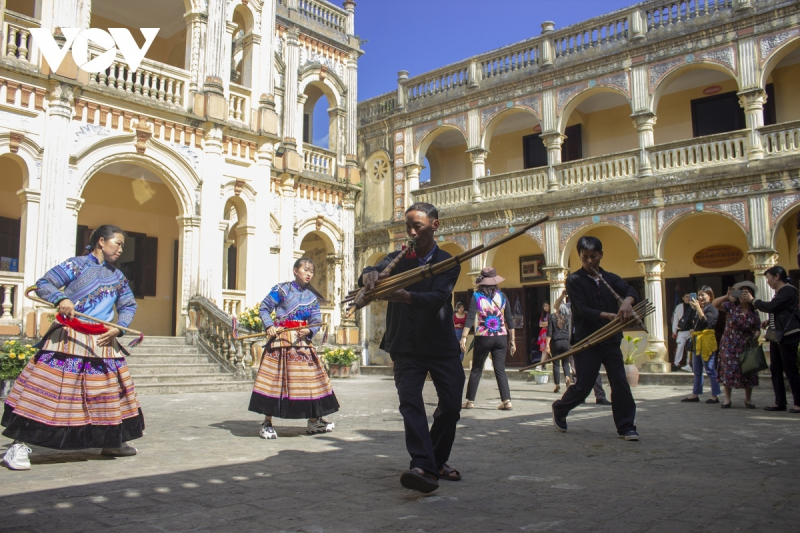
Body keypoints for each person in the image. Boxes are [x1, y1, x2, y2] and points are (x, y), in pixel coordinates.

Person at [2, 225, 142, 471]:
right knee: (48, 391)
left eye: (122, 245)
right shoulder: (75, 265)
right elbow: (44, 284)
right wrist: (62, 298)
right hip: (68, 338)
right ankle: (19, 446)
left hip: (102, 341)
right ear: (101, 241)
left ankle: (112, 442)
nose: (121, 249)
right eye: (118, 243)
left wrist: (119, 328)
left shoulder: (118, 277)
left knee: (107, 395)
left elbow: (128, 305)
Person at [359, 202, 463, 494]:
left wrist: (404, 296)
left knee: (451, 405)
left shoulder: (448, 262)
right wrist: (368, 274)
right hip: (405, 344)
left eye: (417, 226)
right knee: (410, 402)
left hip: (441, 344)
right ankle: (422, 465)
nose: (412, 232)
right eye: (408, 227)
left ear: (434, 225)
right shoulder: (399, 257)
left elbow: (437, 298)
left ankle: (436, 461)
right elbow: (373, 269)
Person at [552, 236, 639, 440]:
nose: (589, 261)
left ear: (601, 255)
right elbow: (582, 309)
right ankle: (560, 408)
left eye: (593, 256)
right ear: (580, 257)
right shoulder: (574, 280)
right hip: (586, 341)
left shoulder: (610, 278)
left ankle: (626, 426)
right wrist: (608, 315)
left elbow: (630, 290)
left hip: (610, 340)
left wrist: (627, 302)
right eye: (585, 257)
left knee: (619, 381)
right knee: (584, 386)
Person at [248, 258, 339, 439]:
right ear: (295, 271)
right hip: (281, 342)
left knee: (310, 381)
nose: (309, 274)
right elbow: (264, 308)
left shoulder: (312, 297)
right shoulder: (281, 290)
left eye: (311, 271)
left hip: (301, 343)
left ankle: (314, 421)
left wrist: (309, 330)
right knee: (275, 382)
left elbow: (316, 320)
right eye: (305, 270)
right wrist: (269, 325)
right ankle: (267, 423)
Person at [742, 266, 800, 413]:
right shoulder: (780, 292)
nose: (767, 281)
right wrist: (770, 321)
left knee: (790, 369)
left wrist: (753, 301)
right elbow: (781, 310)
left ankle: (798, 403)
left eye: (768, 278)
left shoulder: (788, 290)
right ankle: (780, 402)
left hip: (788, 335)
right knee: (775, 369)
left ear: (777, 277)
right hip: (777, 335)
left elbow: (772, 307)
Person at [461, 268, 516, 411]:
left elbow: (470, 317)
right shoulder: (502, 296)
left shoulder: (477, 296)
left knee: (476, 369)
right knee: (500, 370)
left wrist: (464, 337)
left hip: (483, 337)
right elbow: (509, 320)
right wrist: (513, 340)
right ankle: (507, 401)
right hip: (501, 337)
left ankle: (470, 401)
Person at [713, 281, 761, 409]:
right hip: (730, 343)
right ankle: (727, 399)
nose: (743, 296)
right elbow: (715, 304)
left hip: (746, 344)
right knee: (728, 370)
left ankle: (748, 399)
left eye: (746, 293)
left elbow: (757, 328)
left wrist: (756, 335)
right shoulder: (731, 307)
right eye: (741, 292)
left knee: (748, 371)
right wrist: (726, 296)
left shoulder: (753, 311)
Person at [681, 286, 721, 404]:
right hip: (697, 339)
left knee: (710, 368)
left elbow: (707, 322)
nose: (700, 297)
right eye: (699, 295)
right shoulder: (696, 308)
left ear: (710, 296)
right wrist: (692, 308)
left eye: (703, 295)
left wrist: (698, 308)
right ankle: (695, 394)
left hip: (707, 340)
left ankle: (714, 395)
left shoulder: (712, 308)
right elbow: (687, 322)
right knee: (696, 369)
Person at [546, 290, 572, 394]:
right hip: (566, 341)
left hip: (556, 341)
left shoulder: (552, 316)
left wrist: (547, 345)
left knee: (556, 364)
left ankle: (557, 384)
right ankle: (567, 377)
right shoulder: (567, 317)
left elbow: (549, 332)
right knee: (566, 362)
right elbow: (569, 330)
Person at [671, 293, 695, 372]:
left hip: (691, 331)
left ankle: (689, 364)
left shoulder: (694, 306)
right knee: (680, 347)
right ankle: (676, 364)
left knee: (690, 348)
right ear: (683, 298)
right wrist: (674, 331)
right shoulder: (679, 307)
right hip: (681, 331)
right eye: (686, 297)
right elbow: (675, 320)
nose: (688, 298)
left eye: (689, 297)